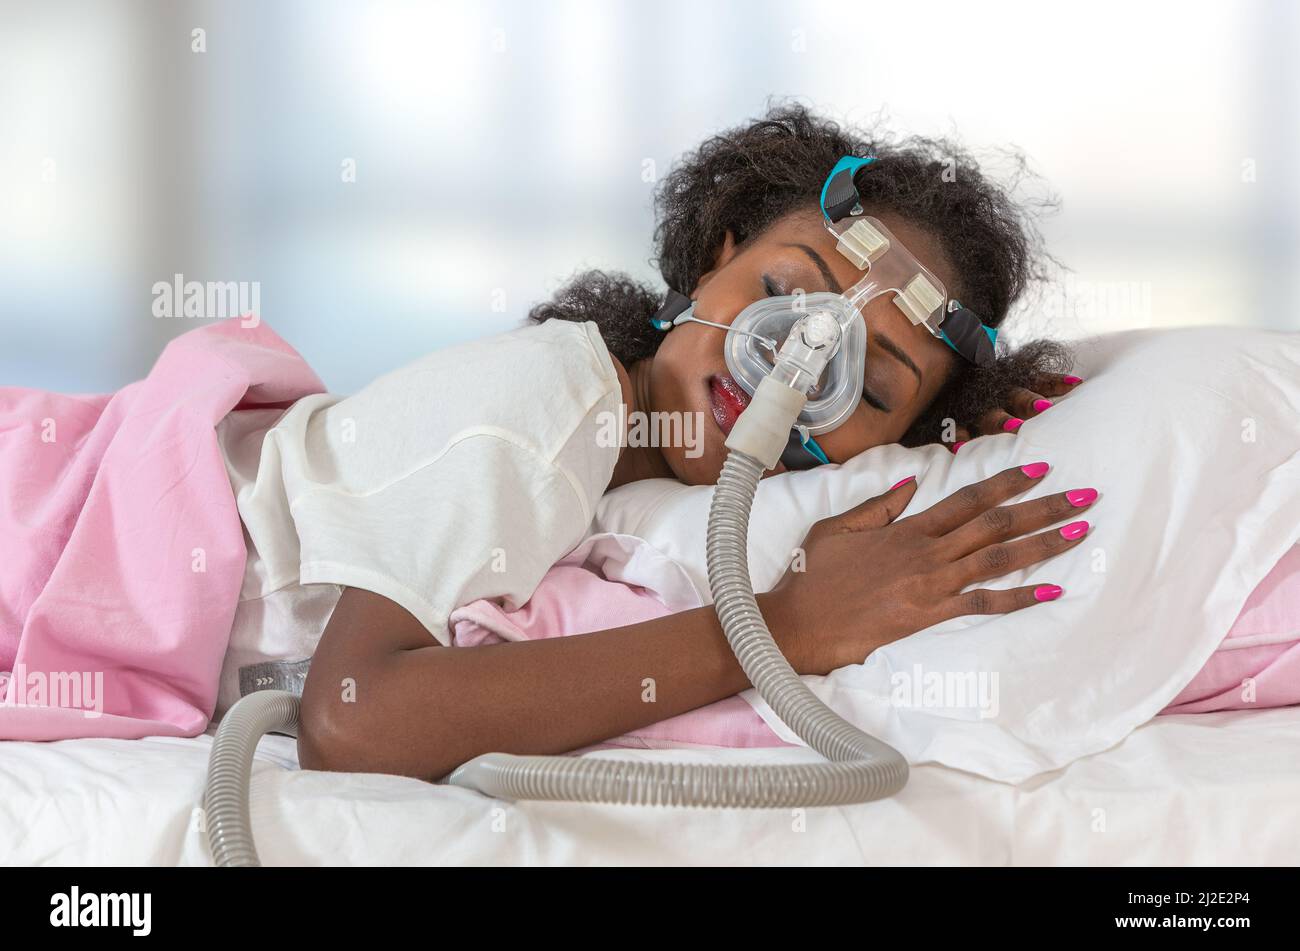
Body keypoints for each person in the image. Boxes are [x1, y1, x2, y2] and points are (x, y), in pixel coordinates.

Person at [239, 104, 1097, 779]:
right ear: (713, 258)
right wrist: (785, 630)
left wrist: (954, 435)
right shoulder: (559, 397)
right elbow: (351, 721)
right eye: (779, 288)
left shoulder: (637, 483)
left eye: (868, 386)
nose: (788, 361)